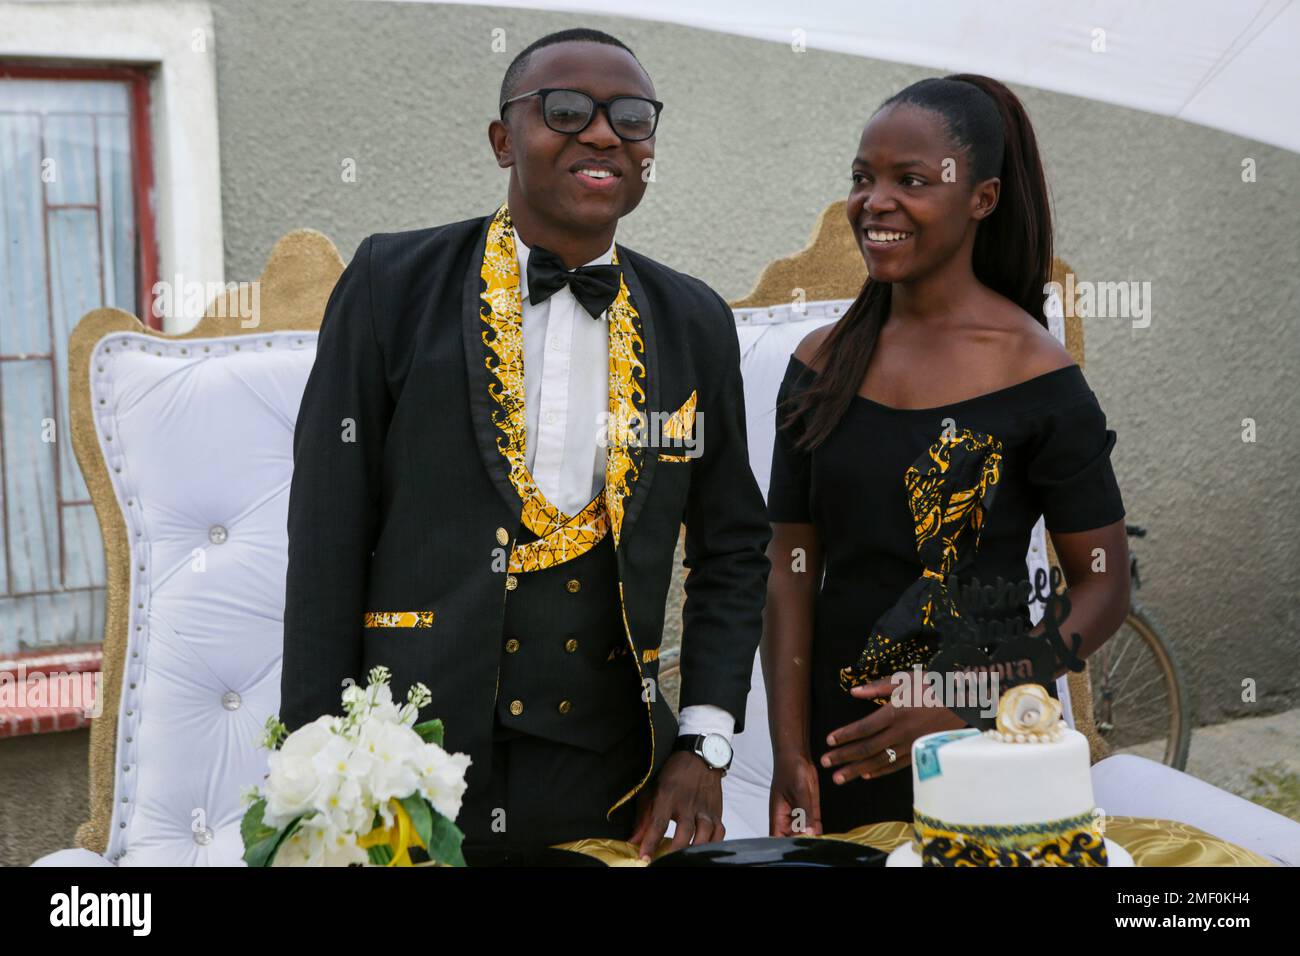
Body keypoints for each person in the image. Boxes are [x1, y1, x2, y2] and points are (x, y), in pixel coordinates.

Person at [280, 28, 771, 859]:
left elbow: (734, 546)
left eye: (633, 117)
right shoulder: (391, 284)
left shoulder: (694, 321)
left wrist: (705, 744)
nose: (605, 133)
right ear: (503, 139)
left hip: (612, 772)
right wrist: (318, 766)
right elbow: (327, 534)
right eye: (567, 109)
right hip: (406, 758)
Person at [762, 75, 1130, 836]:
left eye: (912, 181)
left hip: (994, 741)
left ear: (982, 198)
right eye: (864, 178)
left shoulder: (1037, 374)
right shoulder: (819, 365)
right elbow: (789, 570)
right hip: (844, 750)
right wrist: (788, 749)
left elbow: (1105, 587)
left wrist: (956, 697)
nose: (876, 202)